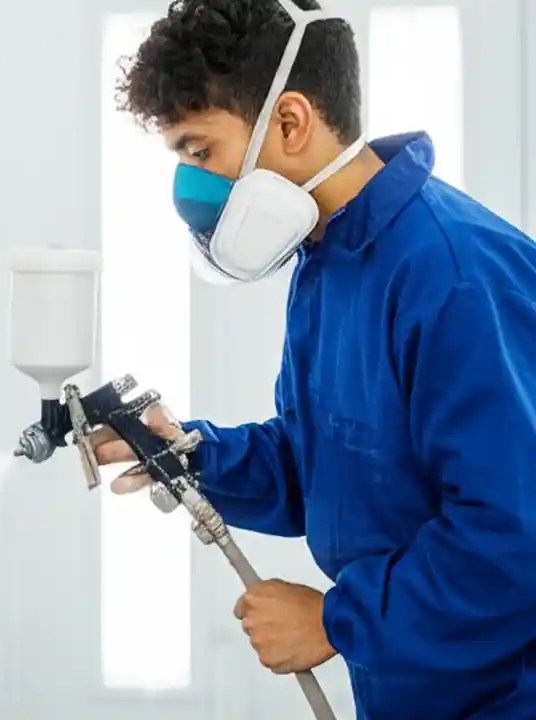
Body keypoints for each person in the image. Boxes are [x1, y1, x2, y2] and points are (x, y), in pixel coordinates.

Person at [95, 0, 536, 717]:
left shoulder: (453, 275)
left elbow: (517, 537)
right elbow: (326, 466)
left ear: (291, 122)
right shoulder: (328, 261)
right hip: (408, 690)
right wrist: (192, 454)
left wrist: (336, 622)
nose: (192, 187)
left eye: (200, 151)